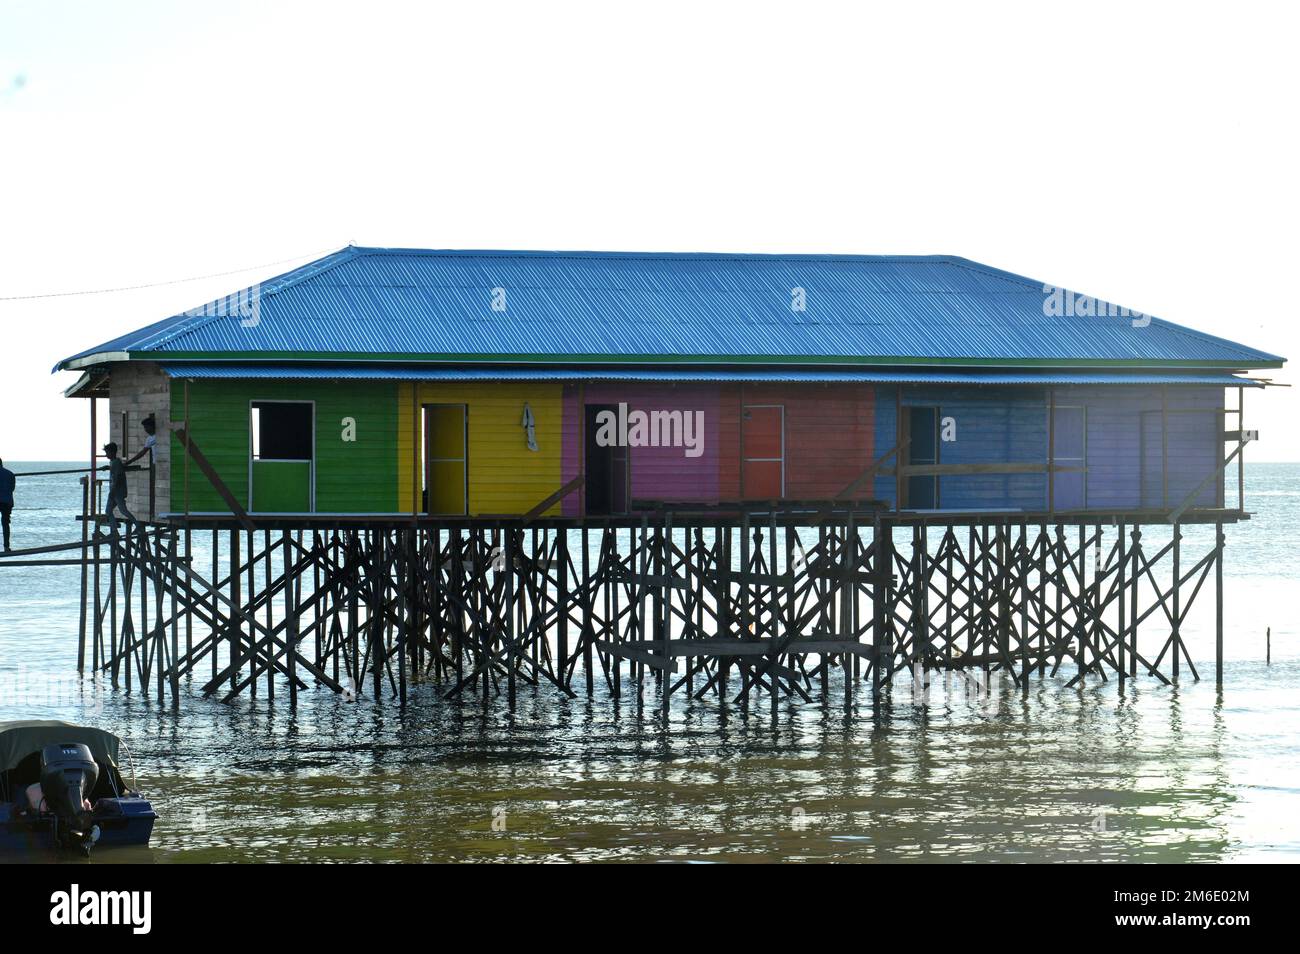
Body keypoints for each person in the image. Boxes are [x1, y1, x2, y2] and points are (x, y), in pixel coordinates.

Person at [102, 442, 137, 531]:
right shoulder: (114, 462)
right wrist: (108, 467)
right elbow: (116, 471)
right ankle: (114, 530)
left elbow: (117, 477)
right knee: (108, 511)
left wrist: (112, 491)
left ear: (113, 452)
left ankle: (138, 525)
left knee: (123, 510)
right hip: (115, 492)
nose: (106, 455)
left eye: (107, 453)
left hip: (117, 492)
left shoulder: (116, 463)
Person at [0, 457, 14, 552]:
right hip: (7, 501)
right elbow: (12, 488)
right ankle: (6, 546)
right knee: (5, 524)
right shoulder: (10, 474)